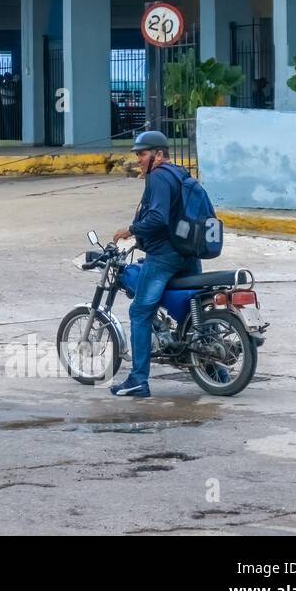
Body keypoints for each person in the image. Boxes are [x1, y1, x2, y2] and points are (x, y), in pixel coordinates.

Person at [108, 131, 202, 398]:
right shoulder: (181, 174)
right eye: (138, 154)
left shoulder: (159, 177)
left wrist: (131, 230)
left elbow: (158, 219)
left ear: (158, 154)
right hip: (188, 253)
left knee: (140, 312)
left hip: (165, 257)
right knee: (191, 315)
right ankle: (215, 373)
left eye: (143, 153)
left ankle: (138, 380)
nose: (139, 159)